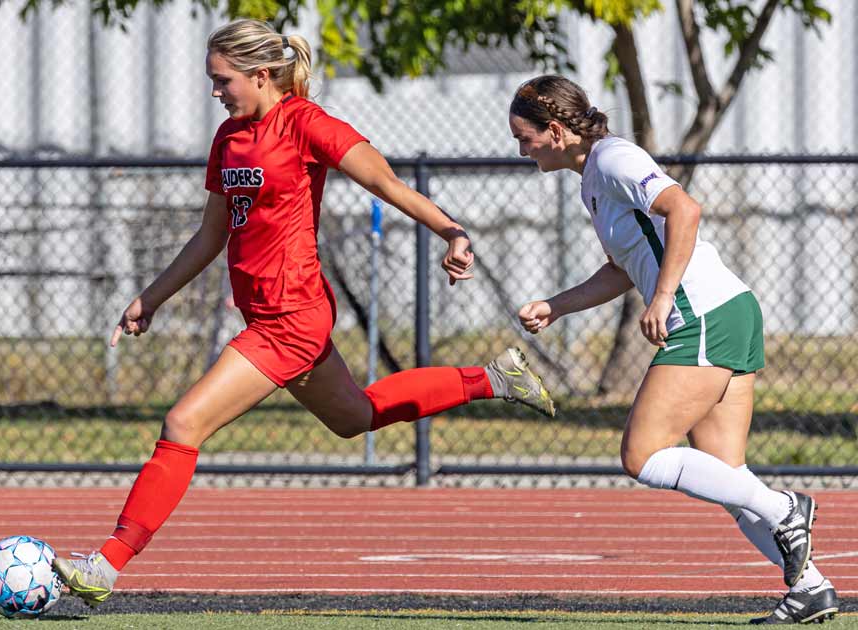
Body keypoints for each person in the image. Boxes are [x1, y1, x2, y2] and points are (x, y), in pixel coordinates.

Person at [52, 19, 556, 608]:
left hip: (290, 319)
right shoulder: (228, 137)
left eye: (223, 80)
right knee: (355, 416)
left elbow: (385, 183)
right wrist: (151, 297)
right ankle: (496, 377)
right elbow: (211, 234)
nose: (215, 92)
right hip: (268, 316)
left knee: (183, 424)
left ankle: (105, 565)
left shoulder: (305, 124)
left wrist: (452, 231)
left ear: (261, 75)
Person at [508, 75, 838, 625]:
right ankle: (811, 587)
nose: (522, 150)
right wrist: (556, 306)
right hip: (726, 311)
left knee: (642, 456)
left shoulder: (613, 158)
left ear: (557, 132)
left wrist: (662, 298)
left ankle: (785, 507)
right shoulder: (592, 179)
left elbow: (684, 209)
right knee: (727, 476)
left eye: (526, 138)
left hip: (703, 314)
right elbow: (621, 270)